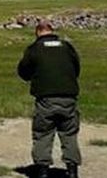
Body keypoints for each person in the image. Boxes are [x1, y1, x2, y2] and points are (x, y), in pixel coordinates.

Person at [17, 20, 82, 178]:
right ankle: (72, 170)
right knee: (69, 134)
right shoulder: (67, 47)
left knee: (43, 134)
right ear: (52, 31)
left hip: (46, 99)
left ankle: (42, 170)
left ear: (38, 32)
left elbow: (23, 71)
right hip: (68, 98)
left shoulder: (34, 49)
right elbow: (76, 68)